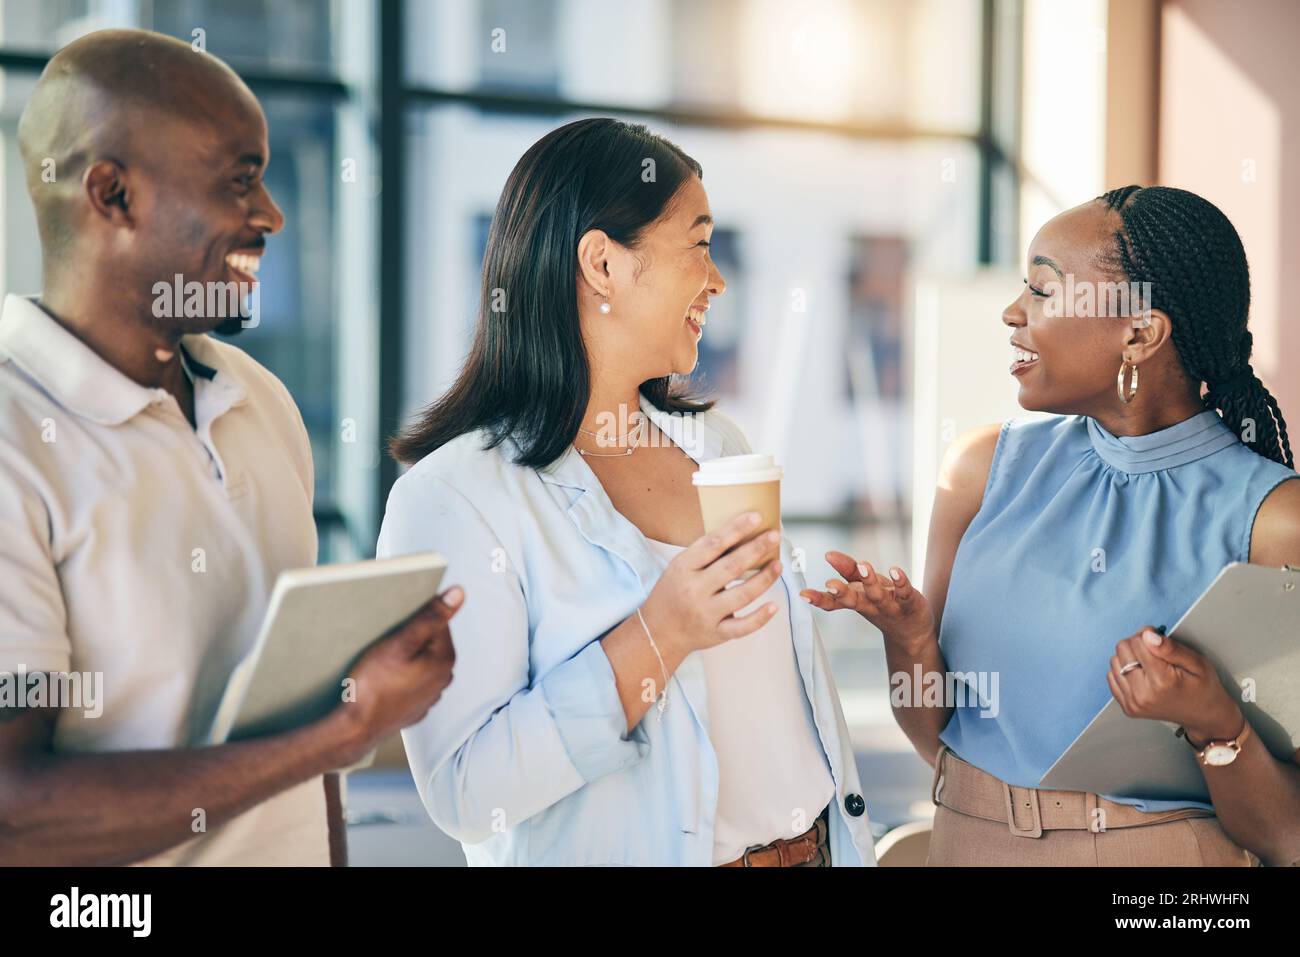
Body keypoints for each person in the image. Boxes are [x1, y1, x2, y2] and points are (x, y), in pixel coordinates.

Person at [0, 29, 460, 866]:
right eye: (240, 180)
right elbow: (14, 812)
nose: (272, 215)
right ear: (113, 194)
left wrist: (349, 703)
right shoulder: (12, 437)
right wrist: (344, 731)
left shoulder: (259, 400)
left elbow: (299, 746)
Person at [378, 117, 874, 866]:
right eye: (700, 245)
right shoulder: (454, 499)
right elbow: (468, 793)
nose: (718, 278)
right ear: (602, 264)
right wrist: (659, 632)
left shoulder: (720, 449)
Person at [804, 186, 1300, 866]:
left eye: (1042, 290)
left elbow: (1287, 833)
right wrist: (910, 641)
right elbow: (936, 735)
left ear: (1140, 332)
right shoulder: (980, 471)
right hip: (966, 841)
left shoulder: (1274, 520)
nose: (1013, 313)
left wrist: (1216, 721)